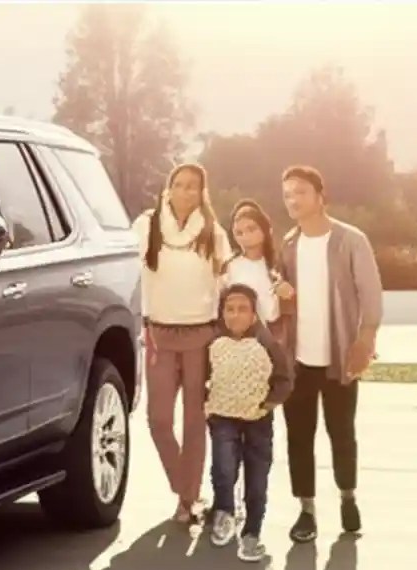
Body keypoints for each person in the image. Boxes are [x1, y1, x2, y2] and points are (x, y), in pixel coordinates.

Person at [277, 165, 383, 543]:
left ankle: (348, 497)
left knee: (342, 433)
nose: (293, 199)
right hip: (299, 362)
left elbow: (370, 292)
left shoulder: (350, 240)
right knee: (298, 437)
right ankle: (306, 510)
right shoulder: (288, 245)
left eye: (300, 192)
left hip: (340, 358)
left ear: (320, 195)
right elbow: (280, 300)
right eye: (287, 193)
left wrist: (365, 338)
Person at [134, 163, 235, 523]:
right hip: (159, 334)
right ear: (169, 188)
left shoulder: (212, 231)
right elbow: (126, 269)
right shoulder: (147, 225)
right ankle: (185, 488)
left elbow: (229, 281)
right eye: (180, 185)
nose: (186, 191)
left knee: (195, 421)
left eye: (193, 186)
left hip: (200, 335)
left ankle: (186, 503)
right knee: (158, 419)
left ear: (201, 192)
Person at [204, 283, 294, 561]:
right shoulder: (215, 345)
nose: (235, 315)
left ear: (254, 314)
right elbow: (203, 378)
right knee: (224, 468)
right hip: (222, 419)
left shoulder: (266, 344)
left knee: (256, 476)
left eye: (243, 309)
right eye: (229, 309)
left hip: (257, 420)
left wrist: (268, 403)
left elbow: (284, 378)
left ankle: (252, 532)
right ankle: (224, 514)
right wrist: (207, 401)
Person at [224, 199, 296, 350]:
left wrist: (287, 293)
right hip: (241, 337)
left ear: (264, 229)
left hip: (275, 336)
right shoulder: (231, 266)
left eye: (252, 229)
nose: (246, 236)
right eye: (239, 232)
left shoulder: (279, 262)